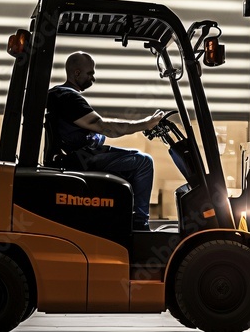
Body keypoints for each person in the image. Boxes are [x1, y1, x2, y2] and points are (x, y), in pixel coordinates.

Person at [44, 51, 167, 231]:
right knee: (143, 162)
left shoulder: (55, 94)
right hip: (79, 160)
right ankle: (140, 224)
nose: (93, 78)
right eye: (90, 73)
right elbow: (104, 127)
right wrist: (145, 124)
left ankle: (122, 216)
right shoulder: (69, 97)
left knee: (131, 158)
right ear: (76, 73)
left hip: (75, 156)